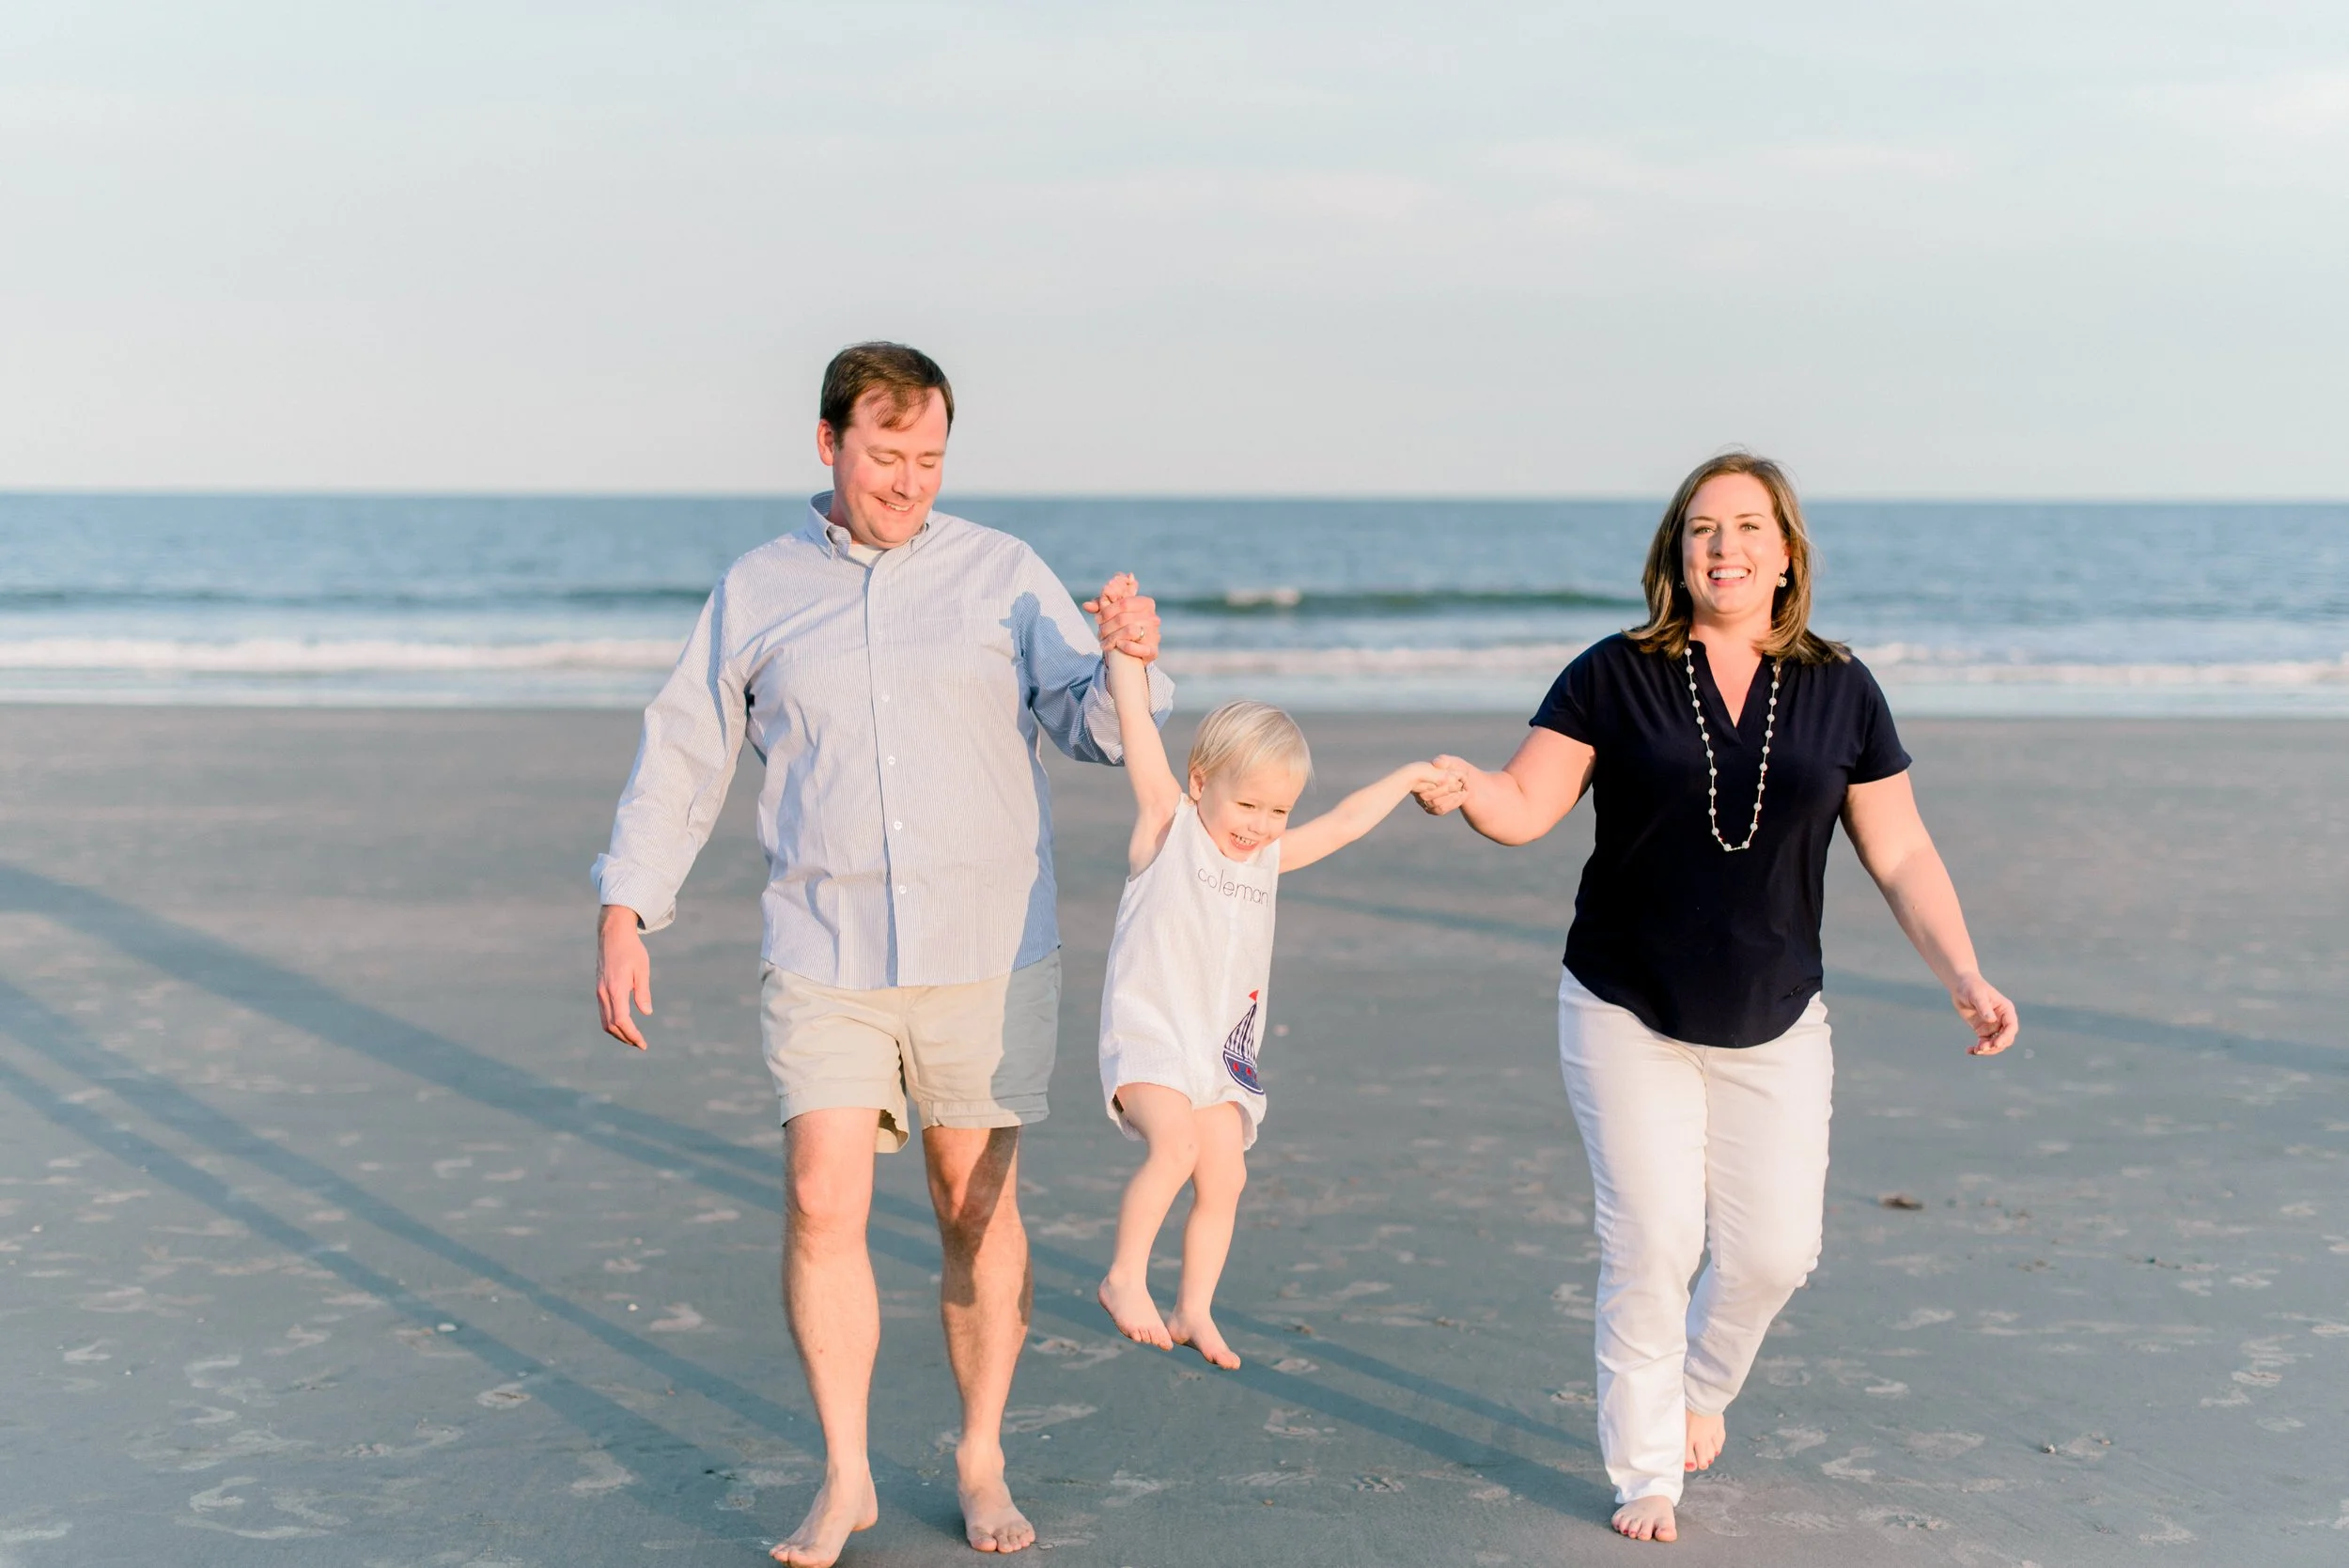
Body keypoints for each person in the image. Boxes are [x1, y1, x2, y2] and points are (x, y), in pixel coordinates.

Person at [590, 344, 1170, 1566]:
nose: (908, 481)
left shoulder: (1006, 576)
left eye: (928, 459)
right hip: (824, 944)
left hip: (986, 944)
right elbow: (684, 752)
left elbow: (1096, 728)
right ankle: (847, 1472)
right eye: (884, 455)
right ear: (828, 446)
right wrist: (626, 911)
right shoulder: (757, 590)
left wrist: (1126, 657)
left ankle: (980, 1452)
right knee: (820, 1195)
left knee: (973, 1203)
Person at [1414, 453, 2018, 1545]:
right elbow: (1524, 803)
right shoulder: (1614, 674)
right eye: (1701, 529)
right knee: (1649, 1237)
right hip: (1622, 1003)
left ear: (1785, 554)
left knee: (1775, 1251)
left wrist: (1963, 971)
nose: (1723, 547)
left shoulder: (1841, 687)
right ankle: (1646, 1469)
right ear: (1674, 552)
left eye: (1746, 527)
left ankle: (1703, 1383)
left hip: (1777, 1009)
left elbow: (1901, 848)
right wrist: (1469, 793)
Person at [1088, 574, 1455, 1370]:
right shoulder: (1169, 827)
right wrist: (1123, 651)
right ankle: (1124, 1274)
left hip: (1219, 1052)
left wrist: (1405, 777)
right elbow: (1139, 734)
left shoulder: (1267, 861)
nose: (1260, 825)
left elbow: (1348, 822)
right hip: (1152, 1034)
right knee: (1177, 1146)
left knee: (1226, 1172)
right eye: (1246, 804)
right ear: (1200, 784)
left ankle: (1194, 1306)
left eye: (1276, 811)